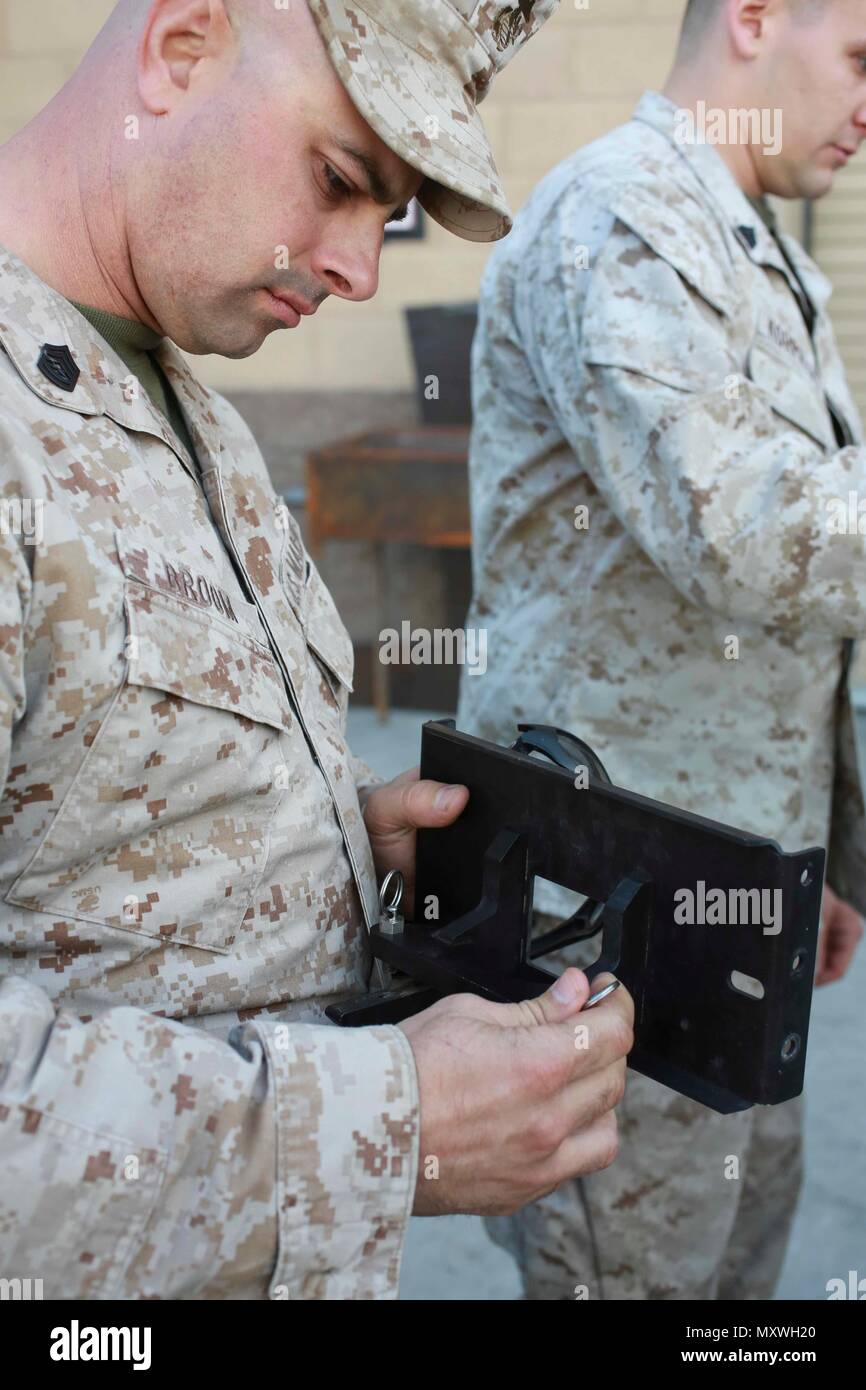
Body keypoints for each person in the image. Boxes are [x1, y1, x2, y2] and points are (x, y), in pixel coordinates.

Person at [0, 0, 634, 1300]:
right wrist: (380, 1117)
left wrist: (328, 842)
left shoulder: (195, 418)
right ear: (180, 52)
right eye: (343, 182)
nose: (359, 268)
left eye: (387, 210)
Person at [458, 0, 866, 1300]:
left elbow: (794, 598)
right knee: (632, 1263)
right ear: (750, 18)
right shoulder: (622, 214)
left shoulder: (758, 248)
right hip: (622, 894)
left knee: (732, 1251)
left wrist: (817, 846)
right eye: (859, 58)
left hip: (732, 869)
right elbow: (745, 532)